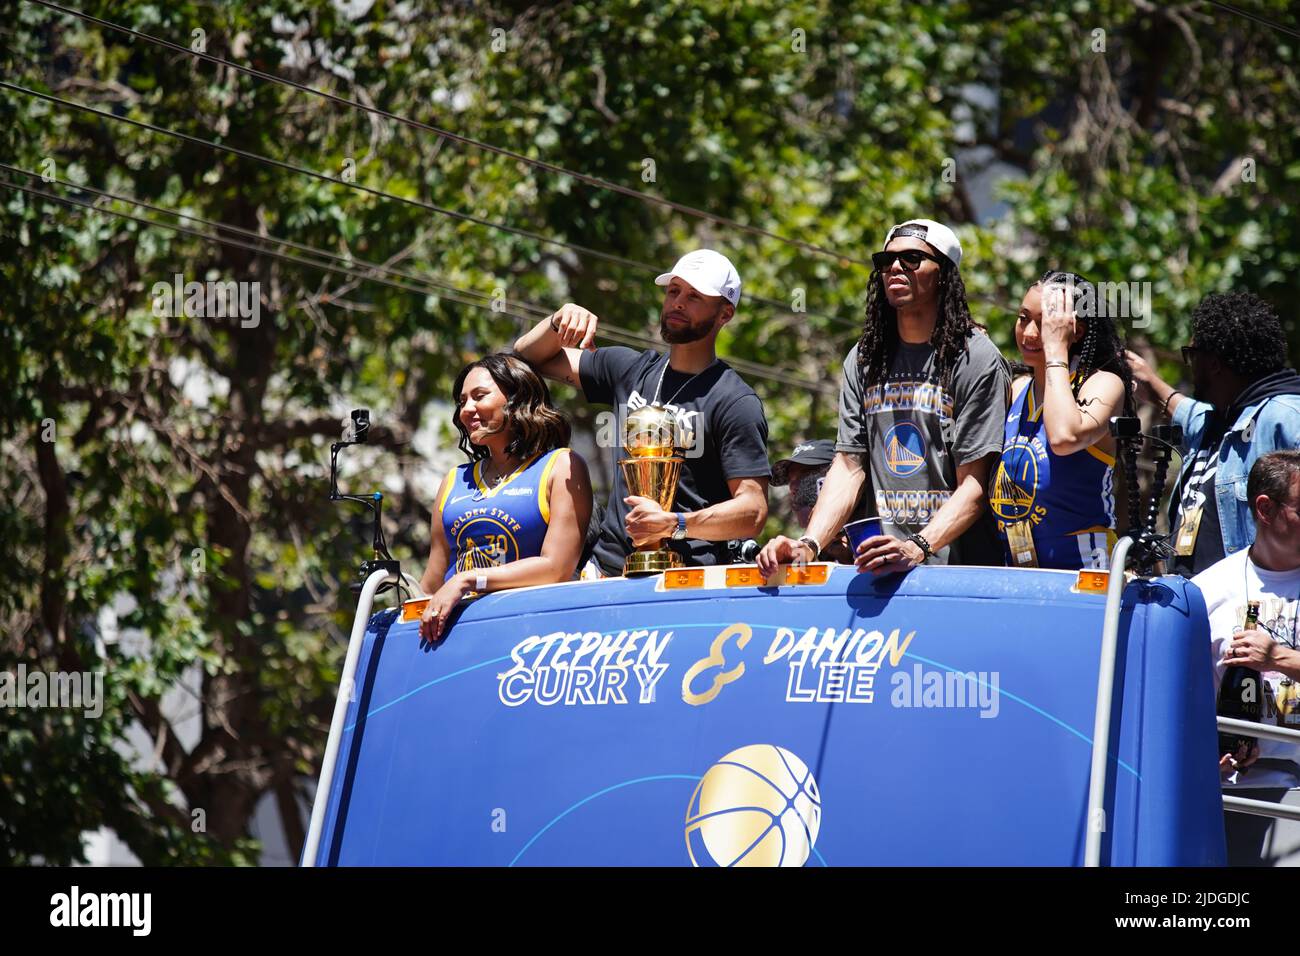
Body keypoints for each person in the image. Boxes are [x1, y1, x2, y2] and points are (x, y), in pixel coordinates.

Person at [757, 218, 1008, 578]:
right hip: (879, 567)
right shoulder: (864, 359)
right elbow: (848, 465)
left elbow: (975, 486)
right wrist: (809, 544)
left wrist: (916, 548)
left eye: (912, 259)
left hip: (956, 573)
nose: (894, 267)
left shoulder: (974, 358)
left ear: (944, 274)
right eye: (886, 260)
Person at [513, 249, 770, 576]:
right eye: (673, 291)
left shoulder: (735, 401)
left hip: (684, 581)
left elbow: (754, 511)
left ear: (725, 314)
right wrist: (558, 320)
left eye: (694, 297)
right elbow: (527, 358)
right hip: (606, 571)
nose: (678, 302)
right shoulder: (629, 369)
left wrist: (674, 525)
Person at [418, 353, 592, 641]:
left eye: (479, 396)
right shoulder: (453, 480)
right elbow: (431, 584)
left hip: (528, 637)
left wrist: (470, 579)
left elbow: (556, 568)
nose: (466, 410)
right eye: (462, 402)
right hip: (454, 641)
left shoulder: (560, 466)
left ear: (517, 399)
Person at [1127, 291, 1300, 577]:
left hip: (1247, 612)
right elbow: (1183, 410)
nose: (1190, 366)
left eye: (1191, 356)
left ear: (1213, 363)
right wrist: (1147, 378)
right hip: (1194, 603)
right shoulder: (1219, 420)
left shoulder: (1285, 417)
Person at [1191, 451, 1300, 866]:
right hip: (1239, 796)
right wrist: (1208, 754)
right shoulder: (1206, 593)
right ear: (1265, 509)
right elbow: (1183, 703)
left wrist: (1280, 657)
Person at [993, 271, 1135, 570]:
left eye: (1044, 323)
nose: (1030, 333)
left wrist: (1056, 349)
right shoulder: (1018, 389)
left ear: (1076, 331)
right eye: (1023, 318)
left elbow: (1063, 438)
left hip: (1085, 571)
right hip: (1018, 569)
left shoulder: (1103, 384)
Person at [771, 439, 854, 563]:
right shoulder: (808, 548)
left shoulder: (869, 529)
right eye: (790, 480)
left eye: (805, 475)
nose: (793, 487)